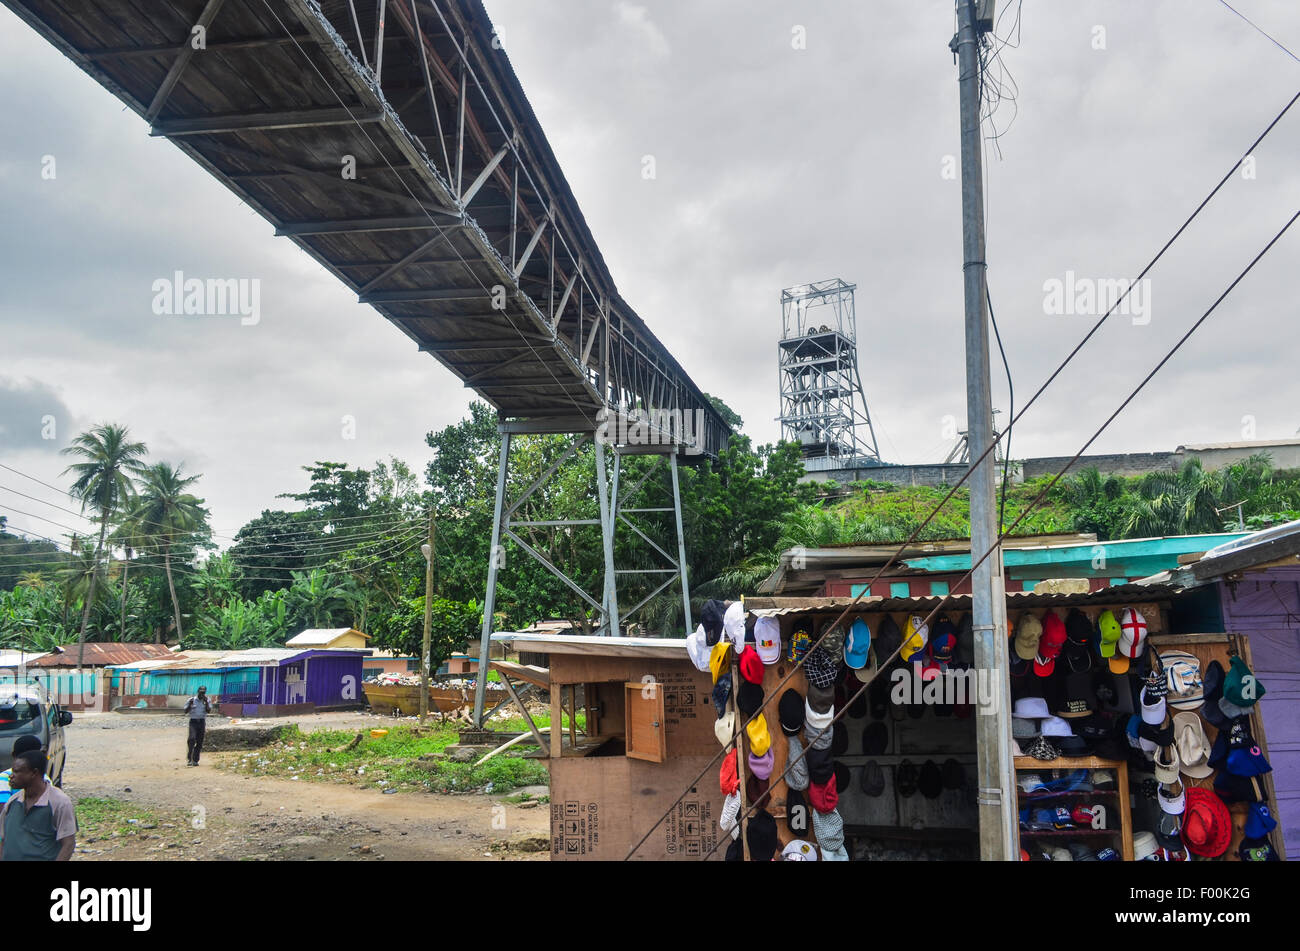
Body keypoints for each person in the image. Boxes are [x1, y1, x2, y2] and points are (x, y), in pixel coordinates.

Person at [0, 749, 76, 861]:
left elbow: (68, 844)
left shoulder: (59, 803)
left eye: (17, 772)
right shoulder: (13, 802)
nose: (11, 776)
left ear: (34, 773)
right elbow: (2, 840)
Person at [0, 736, 46, 807]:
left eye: (17, 772)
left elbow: (3, 811)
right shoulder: (44, 778)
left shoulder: (3, 778)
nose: (11, 776)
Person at [184, 685, 211, 766]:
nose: (202, 693)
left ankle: (195, 760)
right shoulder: (191, 700)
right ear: (198, 691)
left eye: (204, 692)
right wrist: (190, 705)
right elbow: (185, 711)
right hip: (193, 722)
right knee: (191, 739)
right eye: (201, 691)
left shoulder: (207, 700)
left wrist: (206, 703)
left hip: (202, 722)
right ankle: (189, 758)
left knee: (199, 742)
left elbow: (209, 711)